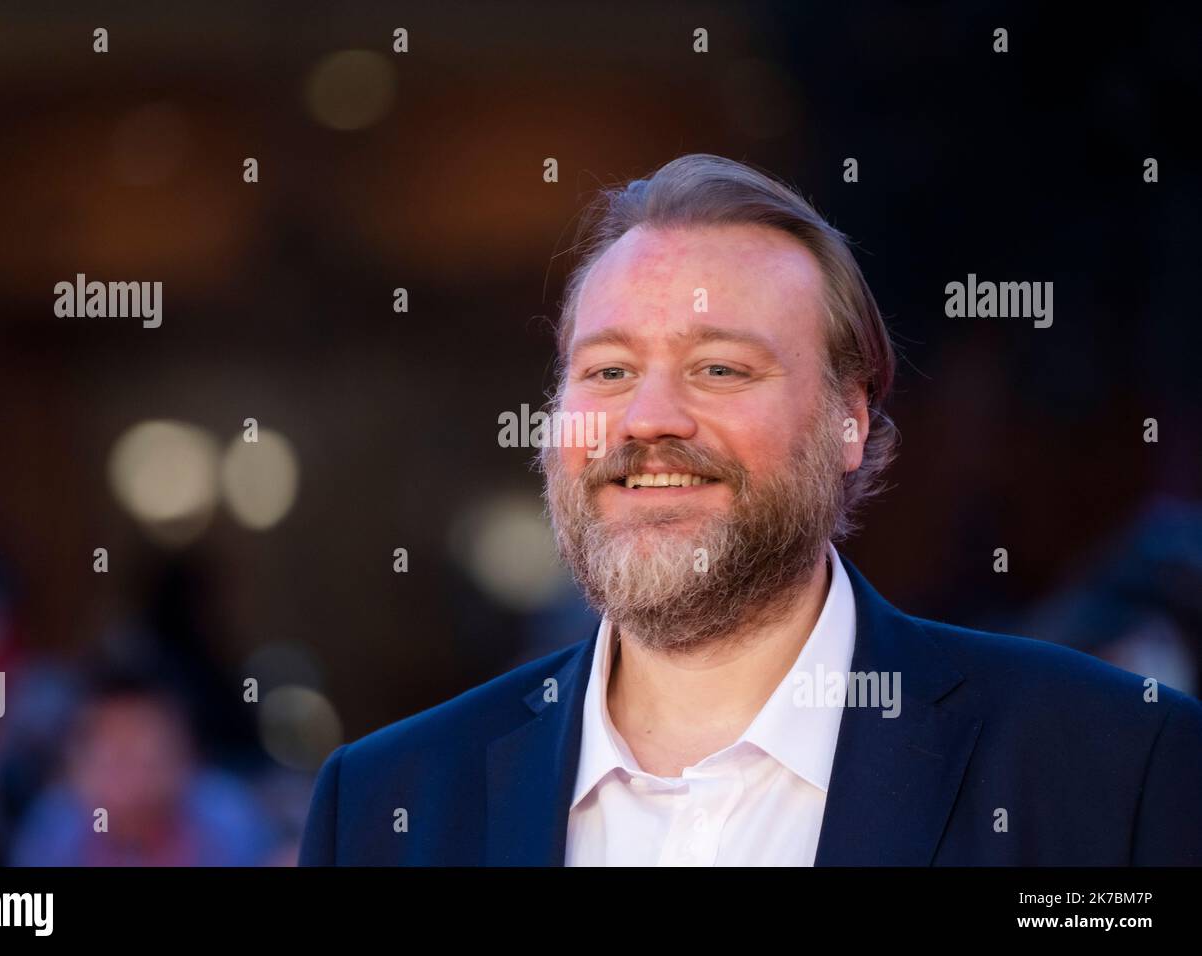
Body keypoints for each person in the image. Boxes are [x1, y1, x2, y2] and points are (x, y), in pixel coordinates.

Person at [299, 153, 1202, 866]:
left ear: (849, 420)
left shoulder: (1113, 768)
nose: (648, 418)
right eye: (608, 371)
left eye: (720, 368)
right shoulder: (384, 808)